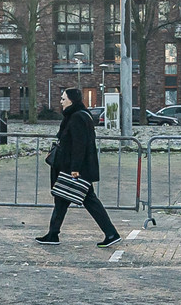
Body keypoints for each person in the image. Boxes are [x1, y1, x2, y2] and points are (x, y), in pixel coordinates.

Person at [35, 87, 122, 248]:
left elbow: (79, 145)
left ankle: (111, 233)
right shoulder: (77, 116)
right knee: (62, 200)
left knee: (89, 200)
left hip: (73, 169)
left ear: (71, 100)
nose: (61, 102)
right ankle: (53, 234)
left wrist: (75, 169)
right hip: (71, 167)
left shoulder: (76, 118)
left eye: (63, 99)